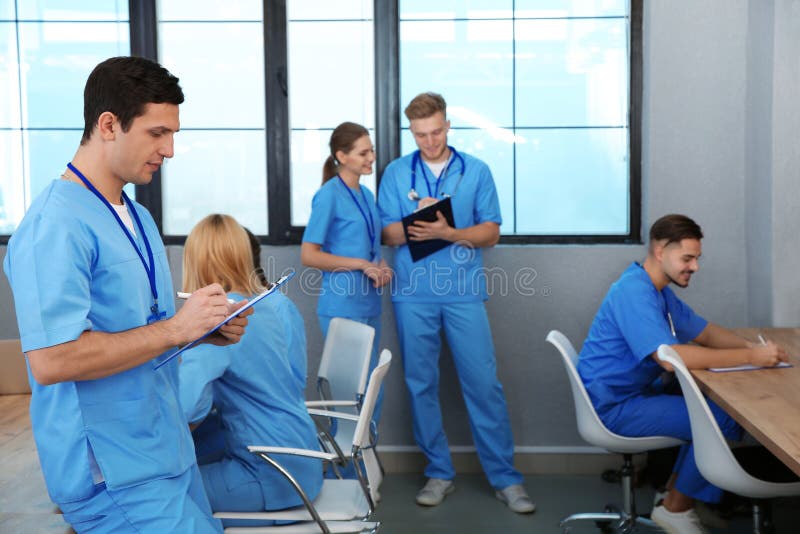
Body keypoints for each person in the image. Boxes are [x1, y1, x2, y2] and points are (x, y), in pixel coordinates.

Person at [2, 56, 251, 533]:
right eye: (158, 133)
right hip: (113, 475)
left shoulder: (137, 217)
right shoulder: (53, 225)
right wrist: (177, 327)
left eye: (173, 134)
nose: (170, 150)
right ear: (109, 125)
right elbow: (52, 359)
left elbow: (142, 329)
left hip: (165, 451)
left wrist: (200, 331)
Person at [578, 214, 788, 534]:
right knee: (720, 418)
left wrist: (758, 350)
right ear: (660, 251)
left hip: (632, 394)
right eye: (687, 258)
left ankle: (672, 499)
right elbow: (669, 358)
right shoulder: (634, 293)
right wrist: (750, 356)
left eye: (697, 259)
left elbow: (704, 332)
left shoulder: (656, 290)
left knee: (703, 404)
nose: (695, 267)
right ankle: (677, 508)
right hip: (613, 407)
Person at [377, 92, 534, 513]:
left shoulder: (476, 171)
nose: (429, 142)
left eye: (436, 132)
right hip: (413, 294)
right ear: (412, 131)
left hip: (463, 291)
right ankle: (439, 473)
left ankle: (506, 479)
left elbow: (492, 233)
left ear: (448, 126)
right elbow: (386, 235)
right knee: (420, 385)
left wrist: (447, 232)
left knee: (483, 384)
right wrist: (419, 223)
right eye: (420, 134)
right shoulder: (395, 173)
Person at [179, 214, 322, 519]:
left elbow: (187, 410)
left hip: (268, 474)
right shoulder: (272, 304)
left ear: (196, 260)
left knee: (151, 495)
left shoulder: (219, 319)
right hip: (304, 459)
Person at [301, 121, 392, 428]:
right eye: (363, 152)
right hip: (341, 306)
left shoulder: (366, 195)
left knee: (371, 392)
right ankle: (347, 469)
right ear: (342, 155)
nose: (371, 158)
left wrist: (379, 265)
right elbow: (309, 255)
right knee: (347, 393)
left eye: (372, 150)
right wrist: (360, 264)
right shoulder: (328, 195)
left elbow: (369, 247)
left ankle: (365, 463)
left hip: (369, 304)